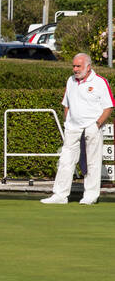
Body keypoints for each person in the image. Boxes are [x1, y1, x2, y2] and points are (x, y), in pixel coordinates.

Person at [40, 52, 113, 205]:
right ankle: (60, 195)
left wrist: (97, 124)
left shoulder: (100, 82)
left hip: (92, 127)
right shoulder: (71, 81)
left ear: (88, 67)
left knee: (93, 162)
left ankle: (90, 196)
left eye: (78, 66)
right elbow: (66, 104)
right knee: (65, 160)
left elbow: (108, 106)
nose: (75, 69)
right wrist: (67, 122)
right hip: (73, 128)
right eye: (73, 66)